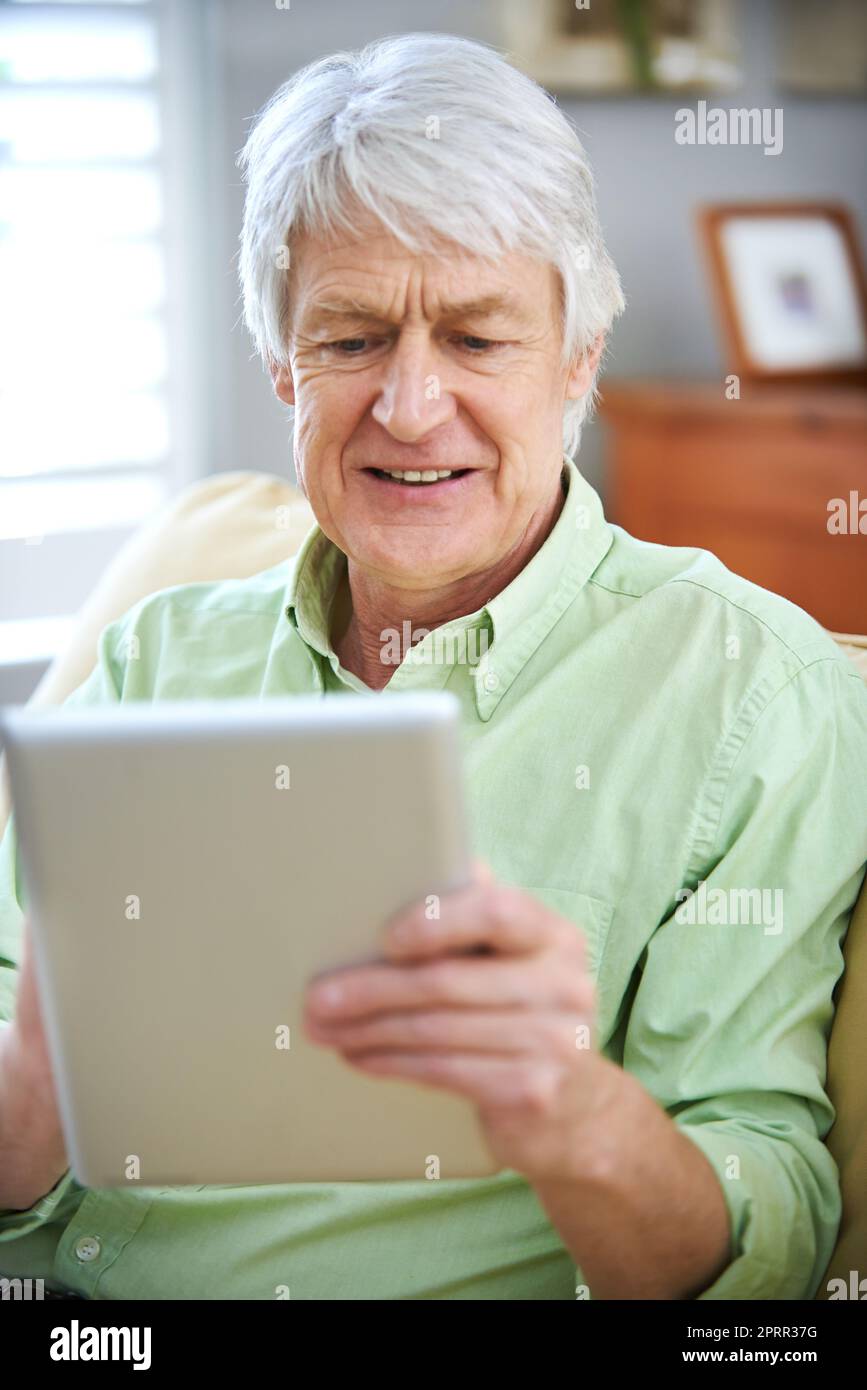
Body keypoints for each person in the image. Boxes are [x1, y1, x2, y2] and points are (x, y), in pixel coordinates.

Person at [1, 33, 865, 1301]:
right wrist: (29, 1109)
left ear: (579, 359)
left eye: (476, 339)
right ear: (281, 364)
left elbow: (765, 1225)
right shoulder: (157, 653)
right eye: (349, 341)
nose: (409, 407)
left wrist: (570, 1108)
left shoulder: (755, 689)